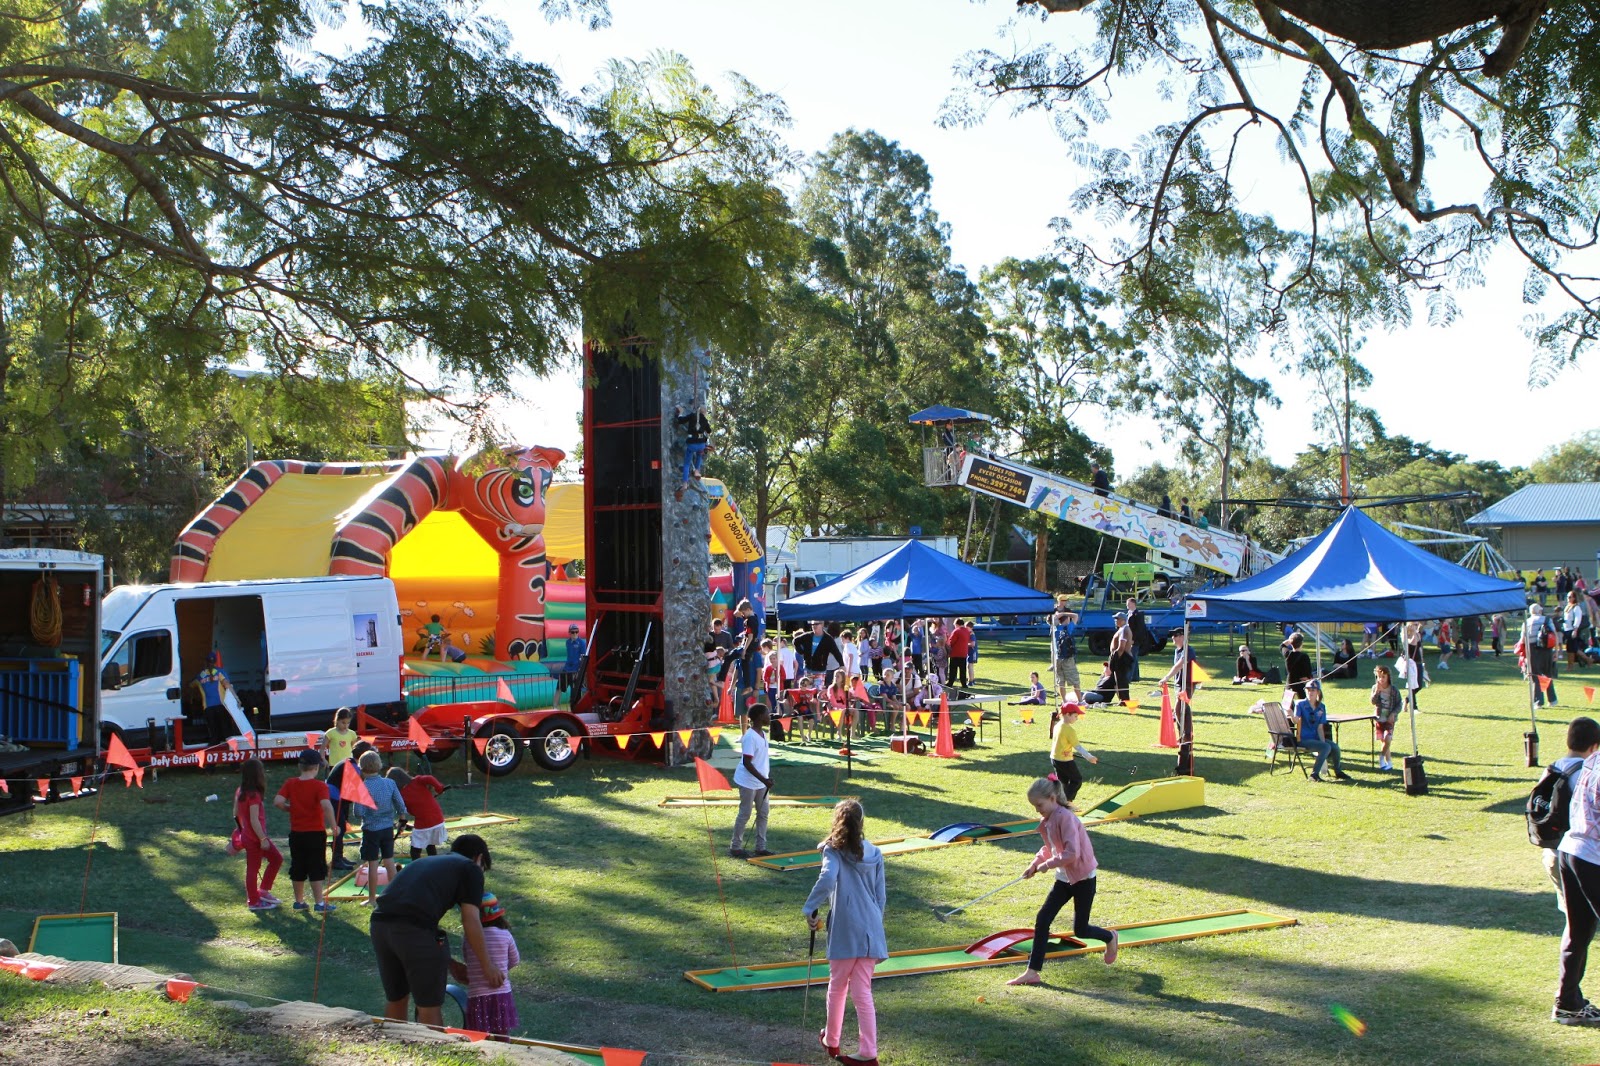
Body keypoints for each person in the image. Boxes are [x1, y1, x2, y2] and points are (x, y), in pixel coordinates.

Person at [370, 834, 501, 1027]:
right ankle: (433, 1052)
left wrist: (448, 962)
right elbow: (471, 920)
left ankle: (394, 1048)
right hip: (412, 928)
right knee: (428, 1005)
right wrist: (487, 966)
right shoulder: (470, 868)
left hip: (380, 925)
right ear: (479, 858)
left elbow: (417, 917)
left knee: (396, 997)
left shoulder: (429, 862)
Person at [1006, 776, 1118, 986]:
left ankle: (1110, 937)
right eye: (1034, 806)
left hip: (1083, 878)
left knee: (1081, 930)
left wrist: (1046, 865)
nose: (1037, 809)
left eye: (1039, 805)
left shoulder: (1065, 818)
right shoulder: (1048, 819)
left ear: (1052, 798)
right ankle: (1032, 971)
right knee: (1043, 920)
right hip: (1064, 878)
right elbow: (1049, 848)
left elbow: (1072, 854)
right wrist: (1034, 863)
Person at [803, 800, 887, 1066]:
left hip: (846, 926)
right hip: (870, 926)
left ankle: (834, 1040)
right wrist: (873, 923)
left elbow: (828, 878)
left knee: (838, 984)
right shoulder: (875, 852)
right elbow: (880, 896)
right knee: (862, 990)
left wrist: (810, 907)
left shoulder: (833, 851)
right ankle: (865, 1049)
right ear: (860, 823)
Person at [1555, 727, 1600, 1025]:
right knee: (1579, 929)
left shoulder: (1593, 761)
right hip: (1591, 855)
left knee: (1579, 930)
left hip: (1571, 850)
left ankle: (1568, 1003)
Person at [273, 748, 338, 913]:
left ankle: (299, 901)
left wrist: (290, 808)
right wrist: (333, 825)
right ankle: (319, 903)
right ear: (316, 767)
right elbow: (326, 805)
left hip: (296, 833)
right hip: (315, 833)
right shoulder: (319, 786)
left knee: (298, 865)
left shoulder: (290, 783)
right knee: (316, 866)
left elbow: (278, 802)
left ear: (299, 766)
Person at [1545, 718, 1600, 915]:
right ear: (1594, 746)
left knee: (1574, 920)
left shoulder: (1553, 768)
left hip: (1557, 848)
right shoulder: (1586, 770)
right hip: (1586, 850)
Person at [353, 750, 408, 906]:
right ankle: (394, 896)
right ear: (379, 765)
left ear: (361, 767)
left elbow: (358, 812)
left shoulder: (362, 787)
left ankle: (372, 899)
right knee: (389, 860)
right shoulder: (389, 783)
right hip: (387, 828)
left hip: (371, 830)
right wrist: (402, 820)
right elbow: (400, 804)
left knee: (373, 864)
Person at [464, 891, 521, 1035]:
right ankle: (504, 1055)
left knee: (479, 1035)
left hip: (476, 995)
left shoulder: (468, 938)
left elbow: (468, 960)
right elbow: (515, 960)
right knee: (502, 1033)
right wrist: (502, 968)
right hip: (501, 993)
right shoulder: (505, 935)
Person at [234, 757, 282, 912]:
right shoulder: (253, 795)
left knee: (276, 859)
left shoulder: (240, 791)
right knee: (253, 869)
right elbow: (254, 820)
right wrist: (262, 839)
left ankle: (263, 891)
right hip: (255, 837)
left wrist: (242, 830)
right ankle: (253, 901)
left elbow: (235, 813)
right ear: (257, 775)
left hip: (248, 835)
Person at [730, 704, 774, 859]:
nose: (769, 716)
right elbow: (747, 763)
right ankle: (735, 847)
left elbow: (761, 759)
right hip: (748, 781)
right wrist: (764, 779)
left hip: (762, 782)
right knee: (745, 814)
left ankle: (760, 847)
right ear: (760, 717)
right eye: (767, 713)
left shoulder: (762, 734)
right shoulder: (750, 737)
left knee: (763, 814)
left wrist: (766, 778)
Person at [327, 739, 377, 872]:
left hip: (338, 797)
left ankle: (339, 857)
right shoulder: (352, 765)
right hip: (333, 796)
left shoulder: (350, 762)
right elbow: (359, 785)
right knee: (340, 827)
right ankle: (336, 860)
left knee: (341, 827)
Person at [1293, 679, 1351, 783]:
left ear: (1318, 692)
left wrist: (1322, 742)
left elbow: (1320, 727)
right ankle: (1314, 775)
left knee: (1334, 747)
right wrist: (1290, 713)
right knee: (1326, 747)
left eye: (1313, 690)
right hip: (1304, 739)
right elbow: (1295, 720)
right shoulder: (1300, 704)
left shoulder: (1321, 707)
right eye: (1308, 690)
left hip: (1315, 737)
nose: (1310, 692)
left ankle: (1338, 771)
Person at [388, 767, 451, 859]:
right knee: (430, 844)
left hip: (424, 822)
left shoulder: (400, 794)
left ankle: (415, 869)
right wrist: (439, 787)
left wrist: (401, 823)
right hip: (438, 818)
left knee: (415, 850)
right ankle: (434, 865)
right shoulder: (417, 781)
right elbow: (429, 778)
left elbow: (403, 810)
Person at [1048, 703, 1097, 802]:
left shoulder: (1058, 725)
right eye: (1075, 716)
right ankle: (1067, 802)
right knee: (1076, 780)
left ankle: (1058, 801)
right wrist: (1089, 757)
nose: (1077, 718)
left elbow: (1059, 743)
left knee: (1063, 782)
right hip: (1064, 760)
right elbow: (1078, 747)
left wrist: (1068, 752)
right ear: (1067, 714)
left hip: (1055, 758)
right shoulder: (1069, 730)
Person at [191, 651, 236, 742]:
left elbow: (190, 685)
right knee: (226, 731)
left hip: (208, 707)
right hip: (221, 705)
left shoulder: (201, 675)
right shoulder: (220, 672)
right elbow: (227, 685)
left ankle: (215, 746)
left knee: (214, 732)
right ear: (215, 661)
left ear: (206, 662)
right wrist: (236, 698)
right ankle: (229, 749)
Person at [1524, 603, 1560, 708]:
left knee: (1535, 676)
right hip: (1546, 650)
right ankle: (1552, 700)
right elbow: (1555, 635)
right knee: (1548, 675)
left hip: (1532, 650)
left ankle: (1538, 701)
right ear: (1540, 611)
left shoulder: (1526, 622)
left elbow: (1523, 640)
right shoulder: (1547, 620)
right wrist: (1556, 652)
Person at [673, 403, 712, 497]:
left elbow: (680, 420)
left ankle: (685, 484)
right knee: (699, 454)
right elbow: (709, 431)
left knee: (686, 464)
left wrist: (680, 413)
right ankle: (697, 470)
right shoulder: (705, 420)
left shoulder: (692, 416)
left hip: (692, 444)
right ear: (704, 412)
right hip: (701, 444)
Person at [1370, 664, 1402, 771]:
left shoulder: (1393, 690)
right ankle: (1389, 763)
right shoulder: (1375, 688)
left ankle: (1381, 757)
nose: (1381, 679)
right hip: (1379, 718)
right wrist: (1376, 692)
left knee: (1388, 739)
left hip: (1389, 719)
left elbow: (1399, 704)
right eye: (1379, 677)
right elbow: (1373, 702)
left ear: (1388, 677)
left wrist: (1393, 714)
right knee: (1383, 740)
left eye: (1383, 677)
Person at [1050, 606, 1083, 704]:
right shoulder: (1069, 628)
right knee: (1075, 680)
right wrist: (1065, 613)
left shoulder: (1055, 628)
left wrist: (1059, 615)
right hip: (1068, 658)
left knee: (1061, 681)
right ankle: (1080, 701)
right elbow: (1076, 616)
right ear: (1068, 619)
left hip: (1057, 658)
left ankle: (1064, 701)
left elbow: (1053, 618)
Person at [321, 707, 357, 772]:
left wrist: (355, 761)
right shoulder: (330, 733)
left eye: (348, 723)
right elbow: (322, 748)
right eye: (343, 723)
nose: (346, 725)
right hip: (334, 764)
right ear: (337, 720)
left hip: (348, 764)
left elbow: (355, 749)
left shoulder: (352, 734)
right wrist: (323, 759)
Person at [558, 624, 586, 707]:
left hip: (576, 670)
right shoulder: (568, 642)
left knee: (575, 690)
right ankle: (555, 705)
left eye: (577, 632)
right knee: (560, 687)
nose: (575, 634)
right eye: (573, 632)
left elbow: (583, 657)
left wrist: (579, 671)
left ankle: (575, 707)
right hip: (567, 669)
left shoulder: (581, 643)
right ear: (569, 633)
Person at [1108, 612, 1133, 703]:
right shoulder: (1122, 629)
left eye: (1117, 619)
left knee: (1121, 679)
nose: (1115, 621)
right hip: (1121, 656)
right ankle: (1122, 699)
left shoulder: (1124, 629)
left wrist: (1115, 658)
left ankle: (1124, 700)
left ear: (1123, 620)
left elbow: (1122, 646)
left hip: (1122, 657)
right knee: (1118, 679)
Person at [1282, 631, 1313, 699]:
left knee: (1288, 707)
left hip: (1289, 685)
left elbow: (1282, 646)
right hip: (1300, 687)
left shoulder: (1287, 654)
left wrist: (1289, 641)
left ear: (1291, 644)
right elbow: (1307, 674)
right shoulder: (1304, 657)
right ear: (1302, 643)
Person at [1567, 591, 1591, 670]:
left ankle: (1572, 665)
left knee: (1573, 648)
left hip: (1572, 629)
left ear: (1574, 598)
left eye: (1570, 597)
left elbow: (1578, 619)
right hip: (1567, 629)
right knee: (1572, 648)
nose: (1568, 598)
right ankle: (1587, 660)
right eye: (1567, 597)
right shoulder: (1568, 606)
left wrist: (1575, 629)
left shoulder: (1576, 607)